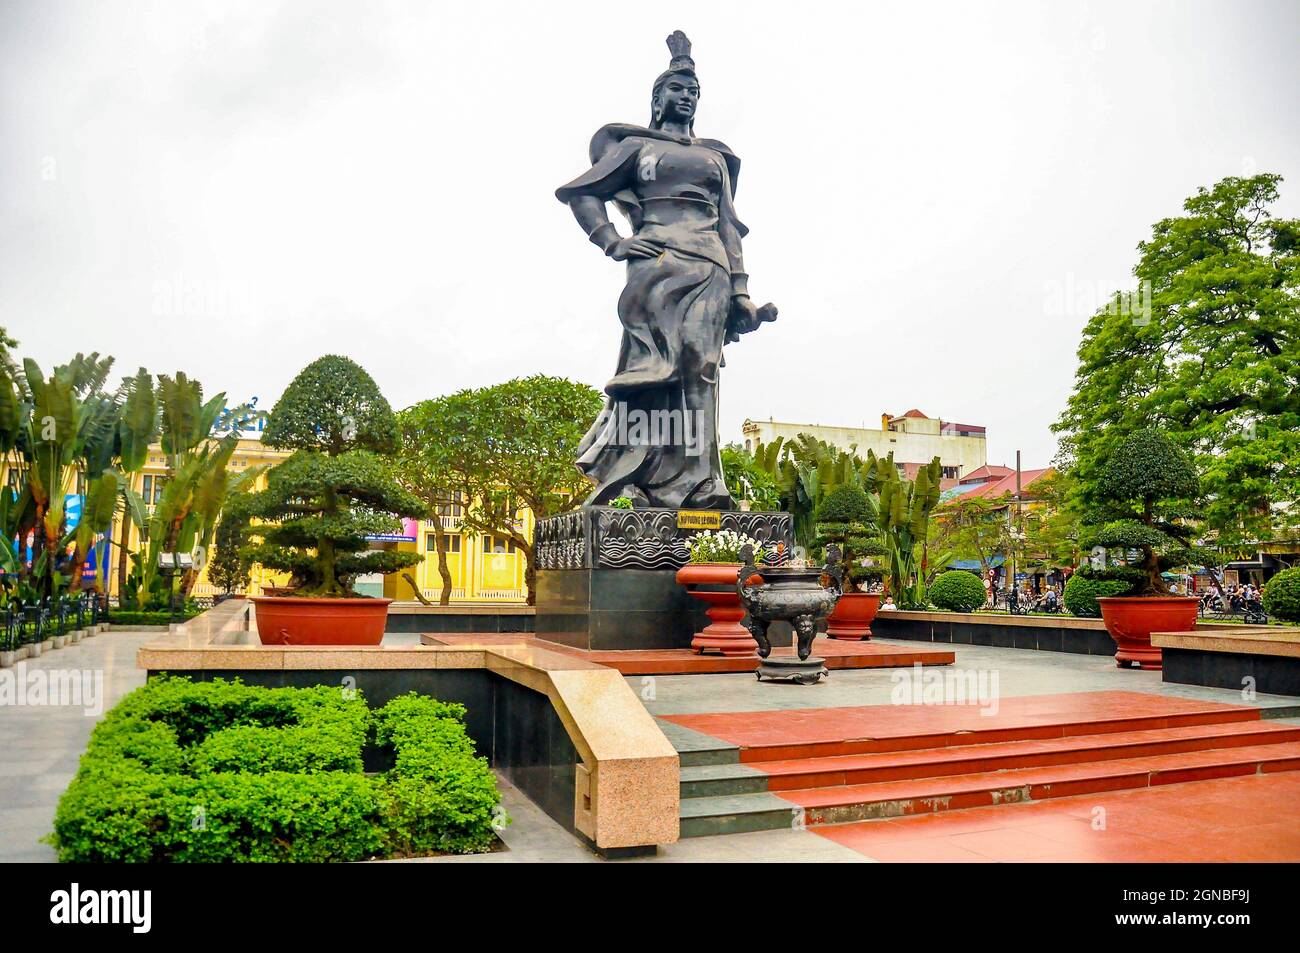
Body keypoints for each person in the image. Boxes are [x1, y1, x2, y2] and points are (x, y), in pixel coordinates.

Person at [555, 31, 773, 509]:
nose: (687, 97)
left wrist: (741, 293)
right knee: (653, 370)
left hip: (709, 263)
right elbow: (583, 193)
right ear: (657, 98)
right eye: (677, 89)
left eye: (694, 91)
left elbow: (729, 226)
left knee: (702, 368)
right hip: (655, 265)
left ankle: (701, 484)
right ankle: (640, 476)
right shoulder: (638, 149)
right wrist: (612, 240)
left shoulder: (715, 156)